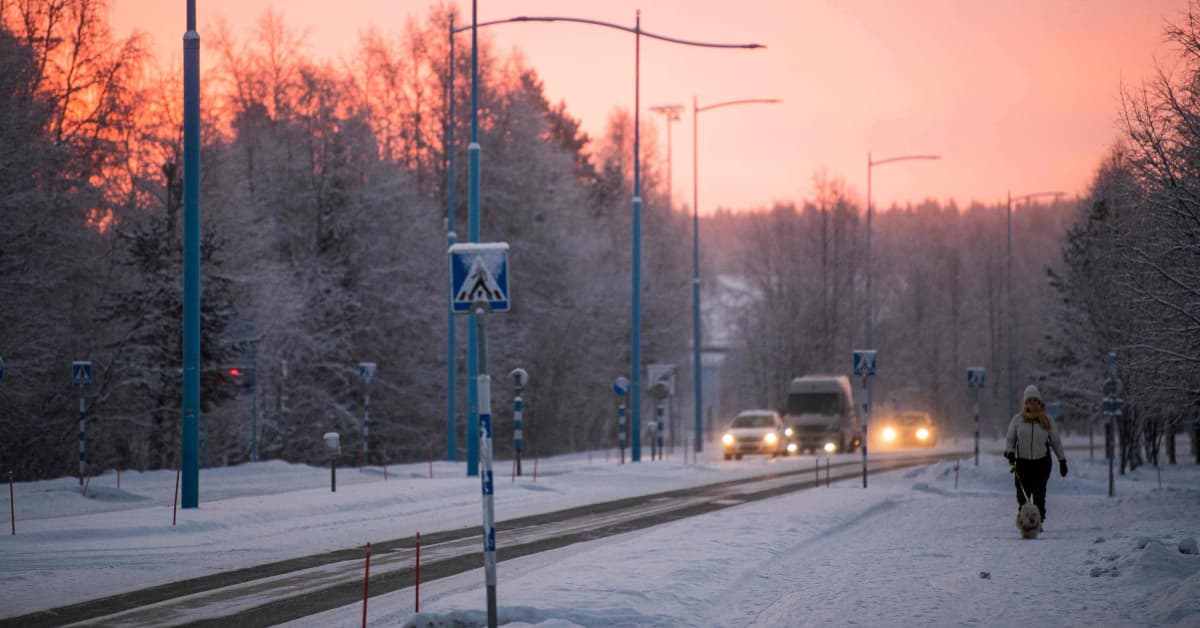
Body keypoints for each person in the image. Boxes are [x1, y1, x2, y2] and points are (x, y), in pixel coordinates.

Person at [1004, 385, 1067, 527]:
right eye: (1029, 400)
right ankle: (1024, 521)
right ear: (1025, 402)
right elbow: (1010, 439)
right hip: (1023, 464)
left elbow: (1055, 441)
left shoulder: (1047, 420)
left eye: (1035, 399)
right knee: (1023, 496)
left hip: (1041, 464)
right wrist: (1010, 453)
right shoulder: (1017, 420)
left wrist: (1062, 460)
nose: (1032, 402)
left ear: (1039, 402)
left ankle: (1038, 522)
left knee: (1039, 495)